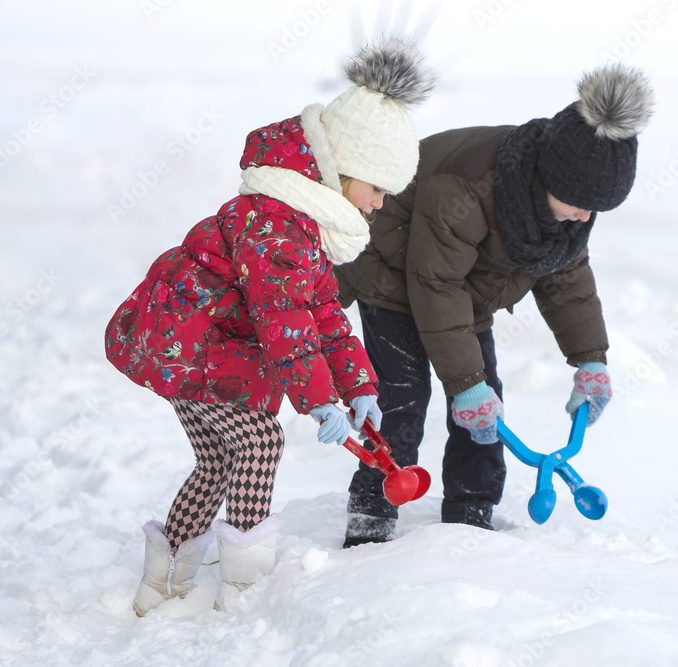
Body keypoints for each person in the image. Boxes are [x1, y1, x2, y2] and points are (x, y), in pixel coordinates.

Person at [103, 39, 434, 615]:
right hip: (188, 344)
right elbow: (284, 321)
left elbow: (324, 314)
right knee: (259, 440)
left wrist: (357, 389)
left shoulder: (308, 224)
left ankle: (164, 581)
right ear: (342, 171)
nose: (380, 204)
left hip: (197, 343)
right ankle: (244, 587)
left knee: (218, 460)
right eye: (378, 188)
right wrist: (319, 402)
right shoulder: (277, 224)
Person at [334, 63, 653, 546]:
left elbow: (566, 276)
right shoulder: (468, 186)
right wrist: (464, 383)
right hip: (393, 273)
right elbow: (434, 282)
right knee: (401, 399)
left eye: (594, 209)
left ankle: (471, 513)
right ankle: (371, 518)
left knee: (484, 405)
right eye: (579, 203)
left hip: (462, 291)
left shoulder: (562, 206)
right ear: (551, 178)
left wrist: (590, 360)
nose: (585, 217)